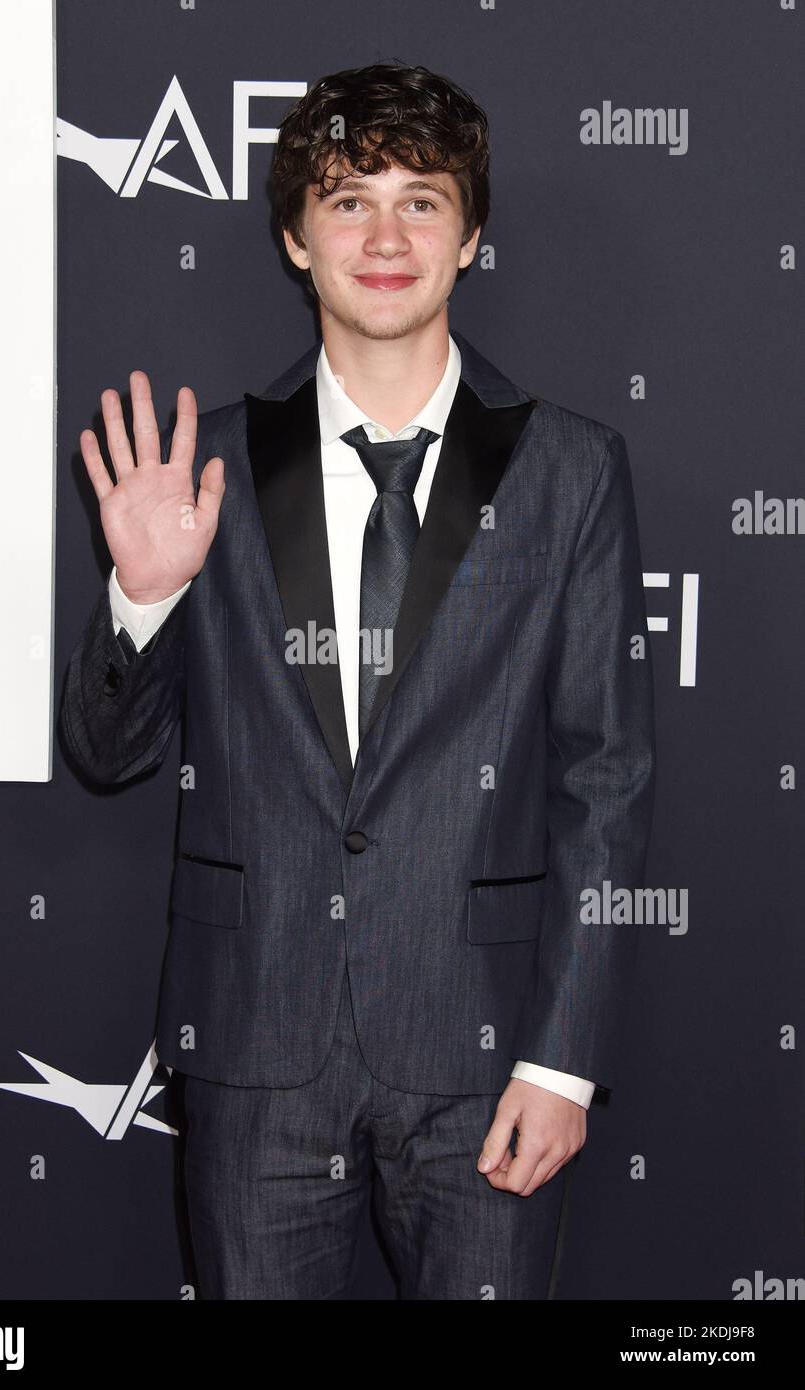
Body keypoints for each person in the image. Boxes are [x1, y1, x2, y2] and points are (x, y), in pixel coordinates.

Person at [61, 62, 656, 1300]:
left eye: (420, 201)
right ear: (295, 237)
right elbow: (108, 755)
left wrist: (559, 1060)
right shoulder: (207, 469)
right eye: (347, 201)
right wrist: (145, 594)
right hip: (252, 1048)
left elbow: (603, 780)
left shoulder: (570, 470)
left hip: (487, 1054)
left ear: (470, 235)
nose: (385, 238)